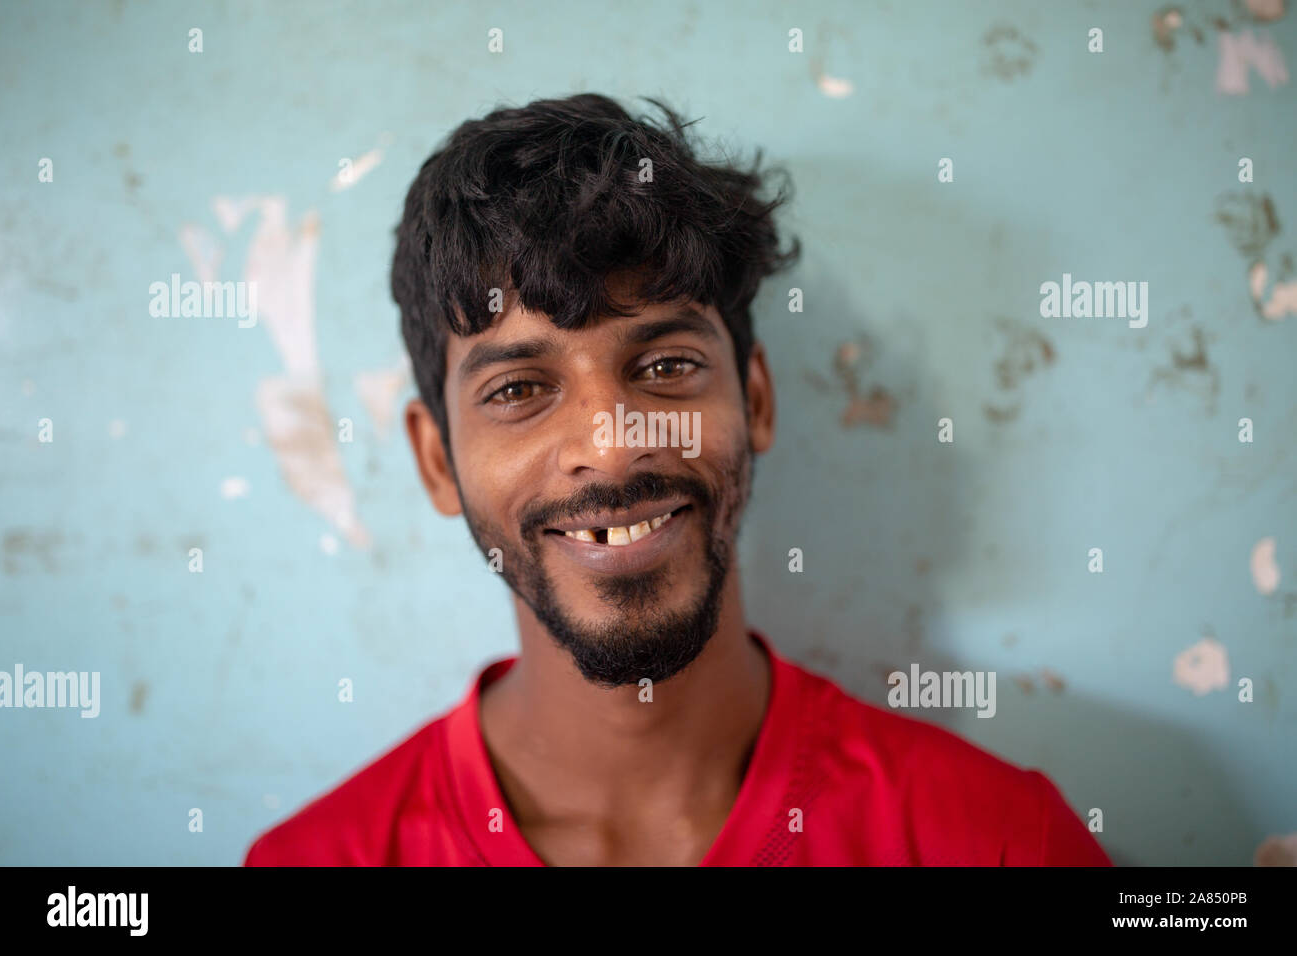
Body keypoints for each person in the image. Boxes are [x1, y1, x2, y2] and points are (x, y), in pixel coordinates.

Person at [243, 93, 1111, 866]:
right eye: (518, 390)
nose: (614, 449)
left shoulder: (1001, 841)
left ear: (757, 398)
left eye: (665, 366)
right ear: (437, 460)